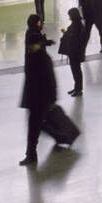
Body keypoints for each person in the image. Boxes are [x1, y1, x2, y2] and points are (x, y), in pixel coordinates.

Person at [19, 21, 59, 167]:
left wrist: (52, 98)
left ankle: (31, 155)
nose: (30, 47)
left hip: (40, 100)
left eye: (32, 45)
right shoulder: (33, 57)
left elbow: (50, 80)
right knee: (36, 127)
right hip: (35, 99)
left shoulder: (42, 59)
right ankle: (31, 154)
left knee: (34, 128)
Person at [58, 6, 85, 96]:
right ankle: (77, 87)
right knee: (76, 70)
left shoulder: (76, 25)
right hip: (75, 52)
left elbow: (74, 38)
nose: (69, 17)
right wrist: (66, 33)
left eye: (69, 15)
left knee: (76, 70)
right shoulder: (77, 24)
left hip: (74, 52)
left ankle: (78, 89)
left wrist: (66, 34)